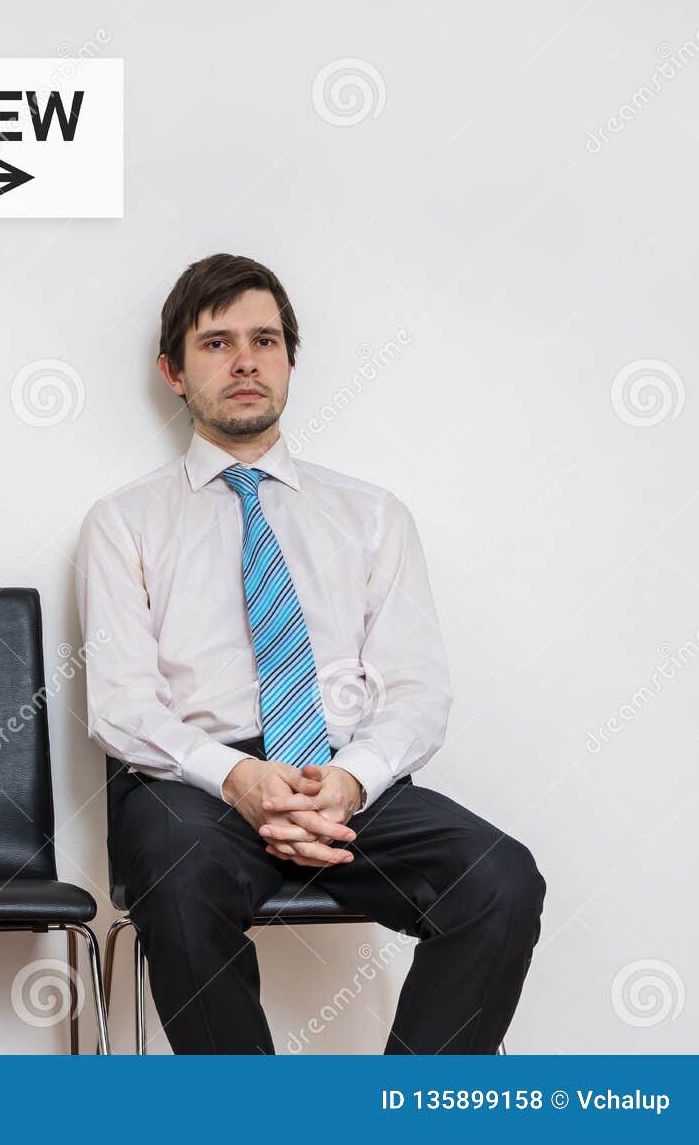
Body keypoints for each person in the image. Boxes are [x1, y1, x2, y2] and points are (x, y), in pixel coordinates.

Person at [74, 253, 545, 1054]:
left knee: (500, 876)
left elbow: (417, 689)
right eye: (216, 343)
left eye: (266, 339)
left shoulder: (372, 515)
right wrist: (237, 776)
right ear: (173, 371)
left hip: (342, 775)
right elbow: (121, 704)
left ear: (291, 357)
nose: (247, 360)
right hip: (195, 784)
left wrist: (351, 779)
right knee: (180, 878)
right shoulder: (124, 523)